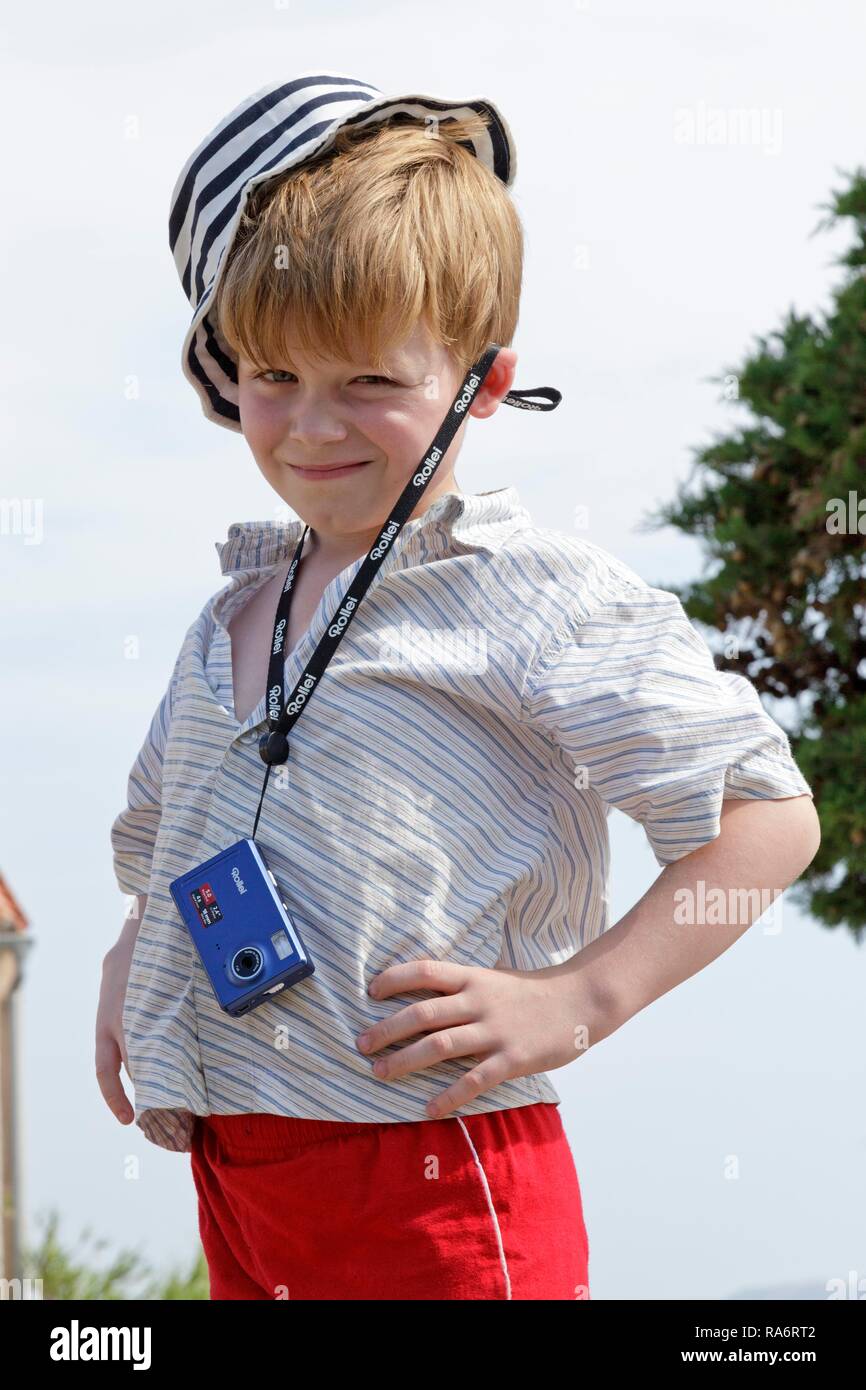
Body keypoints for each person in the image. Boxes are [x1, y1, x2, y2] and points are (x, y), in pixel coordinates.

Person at [96, 72, 820, 1301]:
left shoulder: (532, 597)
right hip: (243, 1171)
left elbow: (767, 817)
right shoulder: (227, 616)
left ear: (481, 380)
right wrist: (133, 954)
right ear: (226, 376)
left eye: (369, 382)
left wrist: (579, 997)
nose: (314, 426)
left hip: (439, 1180)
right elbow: (164, 845)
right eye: (275, 376)